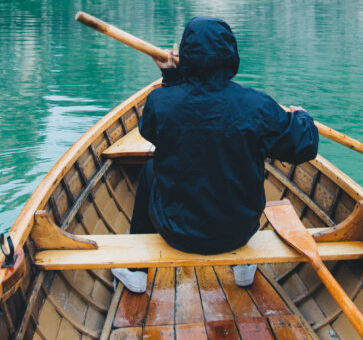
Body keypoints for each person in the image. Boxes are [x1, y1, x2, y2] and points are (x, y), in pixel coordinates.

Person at [112, 17, 319, 293]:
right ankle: (244, 265)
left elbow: (152, 130)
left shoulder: (162, 102)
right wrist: (302, 116)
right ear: (230, 54)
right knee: (246, 160)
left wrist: (172, 78)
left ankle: (135, 269)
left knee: (151, 169)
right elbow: (305, 146)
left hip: (176, 232)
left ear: (185, 55)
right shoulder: (257, 106)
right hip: (238, 233)